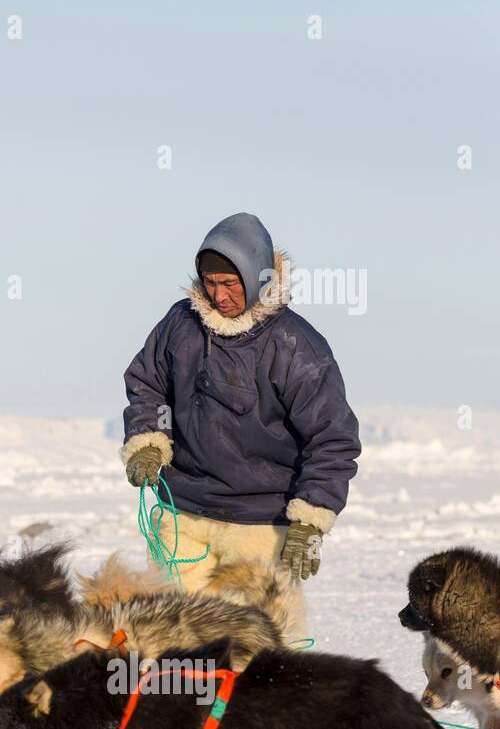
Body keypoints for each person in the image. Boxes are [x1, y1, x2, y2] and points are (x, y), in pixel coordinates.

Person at [121, 212, 360, 593]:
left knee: (257, 645)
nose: (218, 296)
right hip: (182, 516)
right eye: (210, 283)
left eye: (229, 283)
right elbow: (147, 383)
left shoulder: (297, 346)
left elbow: (331, 441)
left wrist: (310, 521)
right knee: (180, 640)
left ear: (256, 277)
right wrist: (148, 440)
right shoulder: (180, 325)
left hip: (261, 524)